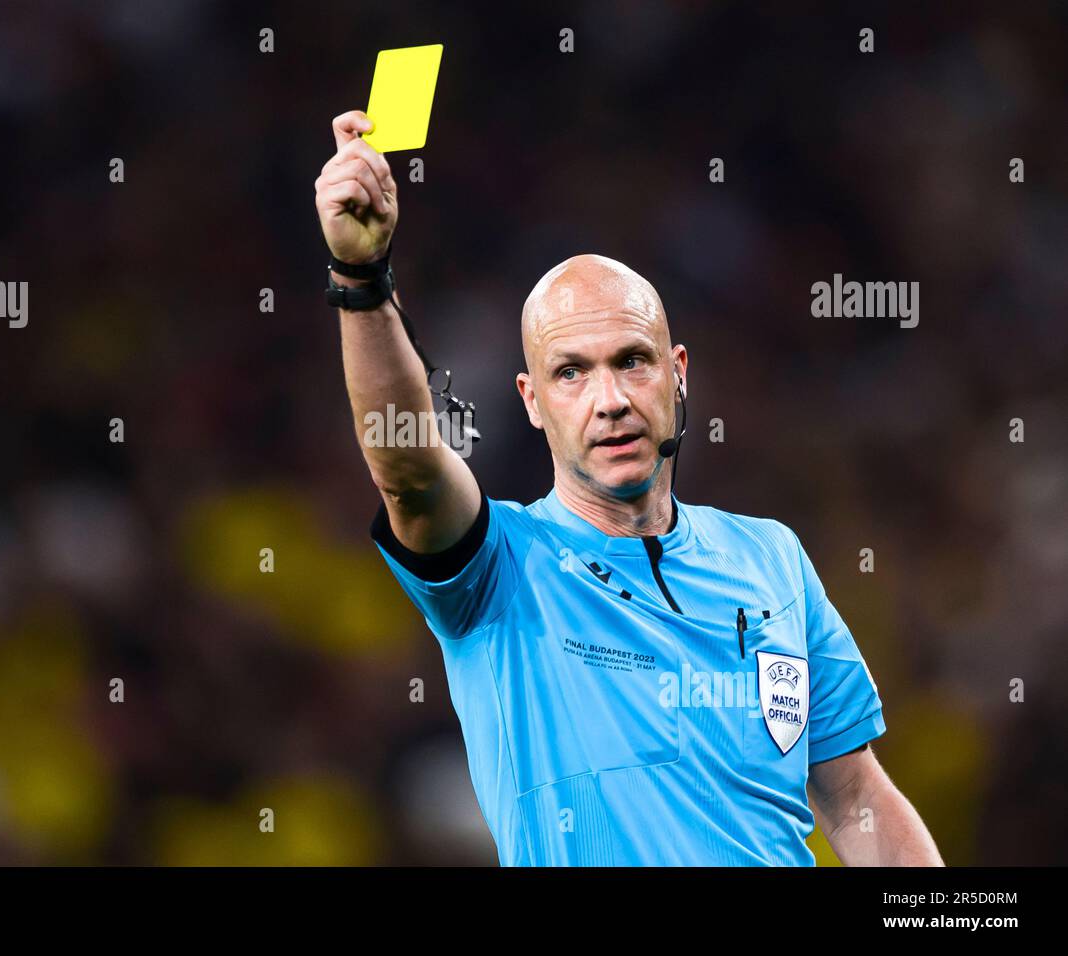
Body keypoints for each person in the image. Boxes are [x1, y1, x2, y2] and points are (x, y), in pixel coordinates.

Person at [316, 109, 943, 866]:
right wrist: (361, 279)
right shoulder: (499, 568)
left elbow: (855, 796)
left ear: (678, 374)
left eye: (633, 361)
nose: (609, 398)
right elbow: (408, 469)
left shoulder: (772, 558)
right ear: (531, 401)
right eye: (571, 372)